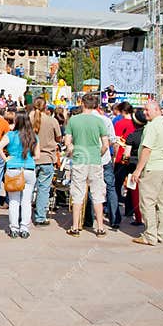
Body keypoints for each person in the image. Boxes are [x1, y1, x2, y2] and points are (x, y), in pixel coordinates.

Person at [64, 93, 109, 236]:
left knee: (77, 193)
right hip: (95, 159)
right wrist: (99, 153)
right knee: (97, 193)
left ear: (82, 103)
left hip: (79, 159)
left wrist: (72, 152)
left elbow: (68, 143)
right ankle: (100, 227)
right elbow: (106, 145)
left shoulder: (73, 121)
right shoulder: (100, 121)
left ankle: (75, 226)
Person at [132, 100, 163, 246]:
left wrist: (138, 170)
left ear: (156, 110)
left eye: (147, 110)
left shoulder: (152, 127)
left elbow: (147, 149)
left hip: (152, 168)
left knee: (148, 203)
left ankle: (150, 235)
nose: (144, 112)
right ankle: (162, 234)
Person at [0, 112, 39, 238]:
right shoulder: (34, 137)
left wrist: (6, 159)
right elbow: (37, 156)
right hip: (29, 169)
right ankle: (24, 228)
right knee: (26, 201)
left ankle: (14, 228)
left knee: (14, 201)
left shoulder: (10, 135)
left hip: (13, 169)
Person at [30, 96, 61, 225]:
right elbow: (59, 138)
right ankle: (40, 216)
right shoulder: (52, 121)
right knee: (44, 189)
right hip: (47, 157)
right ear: (45, 106)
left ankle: (23, 214)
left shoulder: (28, 119)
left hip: (30, 158)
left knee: (28, 188)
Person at [122, 108, 147, 226]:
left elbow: (126, 154)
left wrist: (123, 162)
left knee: (134, 192)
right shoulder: (149, 134)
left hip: (133, 165)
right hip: (147, 165)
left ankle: (138, 217)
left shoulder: (132, 136)